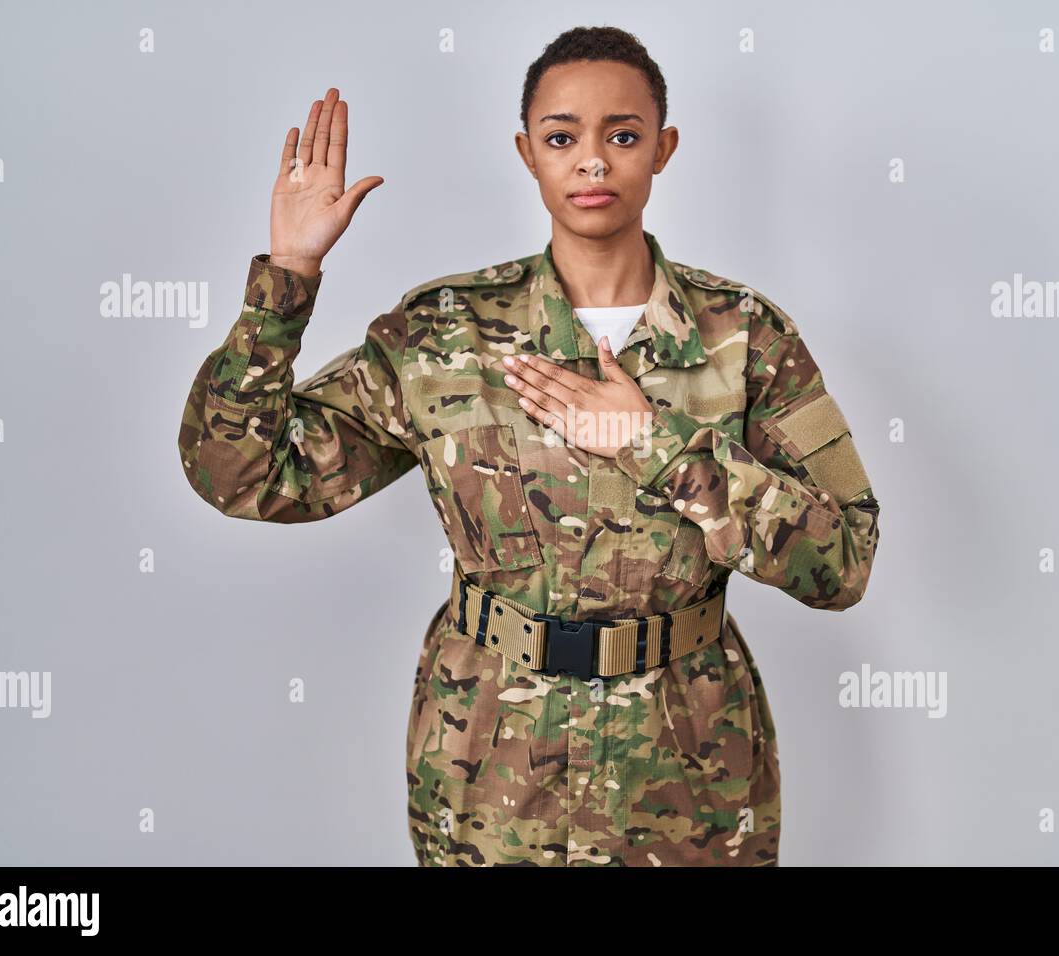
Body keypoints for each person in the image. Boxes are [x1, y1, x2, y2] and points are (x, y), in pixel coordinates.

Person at [177, 26, 881, 867]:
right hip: (490, 766)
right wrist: (286, 278)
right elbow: (243, 475)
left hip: (692, 770)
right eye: (561, 137)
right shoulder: (444, 335)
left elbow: (844, 563)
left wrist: (656, 446)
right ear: (526, 152)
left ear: (663, 149)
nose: (592, 162)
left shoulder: (745, 337)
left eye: (622, 136)